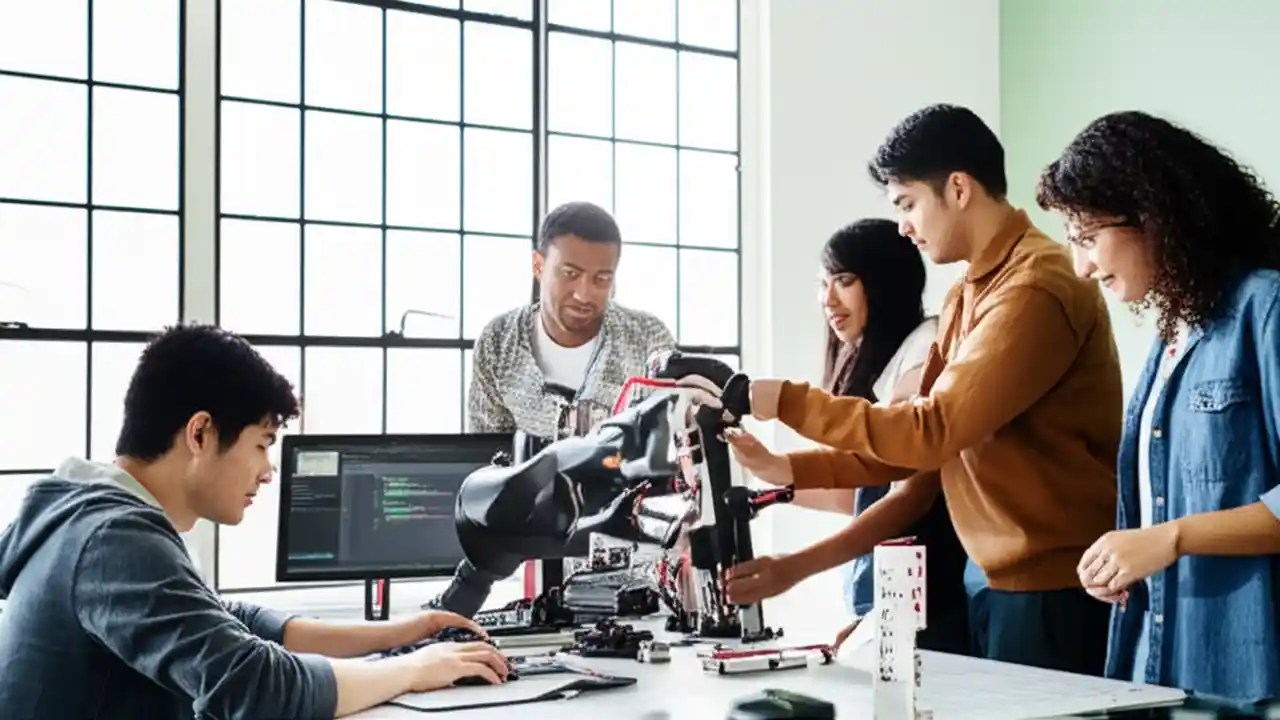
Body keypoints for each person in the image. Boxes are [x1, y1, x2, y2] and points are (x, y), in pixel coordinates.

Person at [721, 104, 1122, 676]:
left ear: (958, 188)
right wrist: (788, 468)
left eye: (907, 204)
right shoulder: (969, 293)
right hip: (995, 583)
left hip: (1053, 591)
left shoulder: (1034, 287)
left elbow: (928, 431)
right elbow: (910, 453)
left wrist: (782, 400)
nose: (904, 226)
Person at [0, 325, 510, 719]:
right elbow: (253, 687)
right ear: (200, 433)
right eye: (262, 444)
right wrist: (412, 670)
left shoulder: (90, 519)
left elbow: (225, 619)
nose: (268, 472)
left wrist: (401, 633)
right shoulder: (111, 540)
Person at [1037, 111, 1280, 704]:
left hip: (1244, 675)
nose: (1082, 267)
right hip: (1156, 663)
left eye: (1088, 238)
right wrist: (1127, 557)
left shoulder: (1264, 306)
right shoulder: (1171, 333)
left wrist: (1169, 538)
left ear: (1153, 218)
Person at [721, 219, 971, 655]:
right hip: (885, 592)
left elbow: (909, 498)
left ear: (886, 282)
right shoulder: (876, 360)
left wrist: (796, 568)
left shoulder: (924, 353)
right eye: (823, 283)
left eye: (844, 280)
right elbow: (856, 495)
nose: (827, 299)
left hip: (929, 593)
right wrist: (773, 472)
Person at [468, 201, 676, 441]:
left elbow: (672, 438)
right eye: (570, 274)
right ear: (538, 266)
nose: (583, 295)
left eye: (601, 278)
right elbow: (487, 453)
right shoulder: (499, 341)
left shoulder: (648, 337)